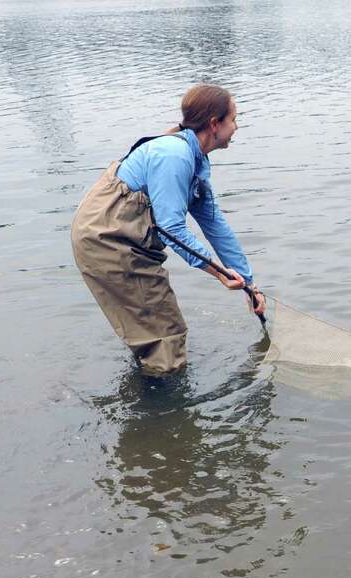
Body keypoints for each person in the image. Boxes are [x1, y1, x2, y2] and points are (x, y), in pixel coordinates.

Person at [71, 84, 265, 375]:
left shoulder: (193, 158)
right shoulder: (174, 154)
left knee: (158, 332)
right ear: (214, 124)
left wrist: (249, 286)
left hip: (127, 242)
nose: (236, 127)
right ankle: (160, 407)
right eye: (234, 119)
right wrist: (219, 274)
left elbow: (214, 223)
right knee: (166, 338)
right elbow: (171, 229)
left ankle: (152, 392)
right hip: (108, 242)